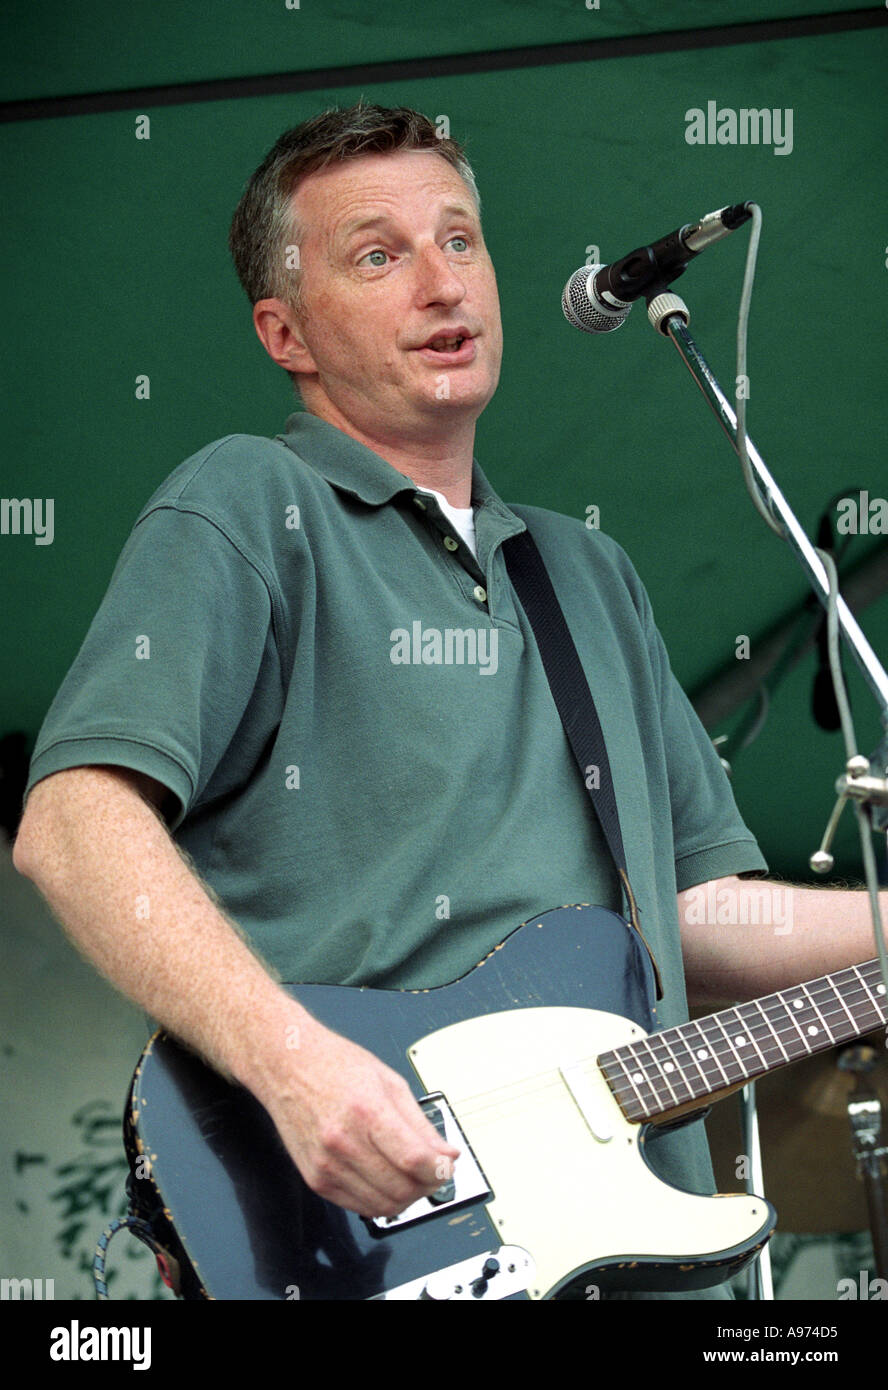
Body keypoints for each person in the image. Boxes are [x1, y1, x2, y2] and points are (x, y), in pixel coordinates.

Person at [12, 103, 885, 1297]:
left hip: (611, 1252)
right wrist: (296, 1064)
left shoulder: (589, 576)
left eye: (461, 240)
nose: (441, 283)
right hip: (359, 1239)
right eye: (379, 254)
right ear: (287, 331)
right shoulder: (249, 503)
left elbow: (689, 914)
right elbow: (72, 823)